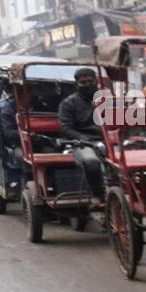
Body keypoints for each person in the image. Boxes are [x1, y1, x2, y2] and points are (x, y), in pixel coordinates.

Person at [57, 67, 105, 198]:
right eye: (83, 83)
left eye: (90, 81)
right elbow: (66, 128)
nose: (88, 85)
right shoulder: (68, 103)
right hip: (84, 143)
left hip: (110, 141)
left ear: (96, 81)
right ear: (76, 84)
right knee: (91, 162)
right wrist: (84, 139)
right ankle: (97, 195)